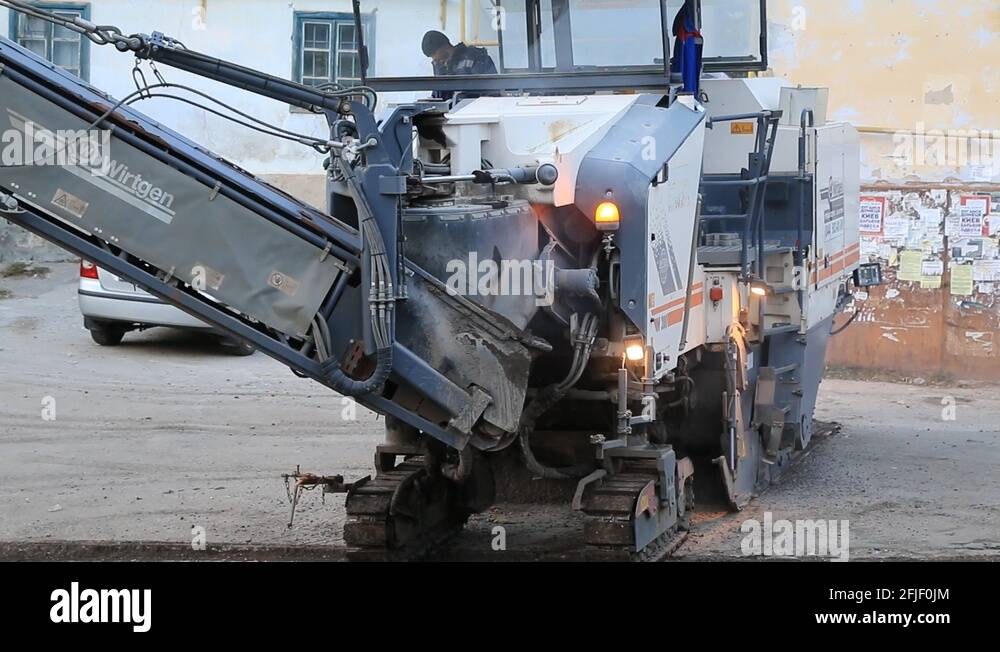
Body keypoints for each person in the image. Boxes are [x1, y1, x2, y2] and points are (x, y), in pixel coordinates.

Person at [421, 30, 497, 99]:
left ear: (445, 46)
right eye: (432, 57)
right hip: (447, 112)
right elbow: (438, 94)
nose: (435, 60)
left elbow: (491, 91)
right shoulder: (438, 65)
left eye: (434, 53)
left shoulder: (476, 58)